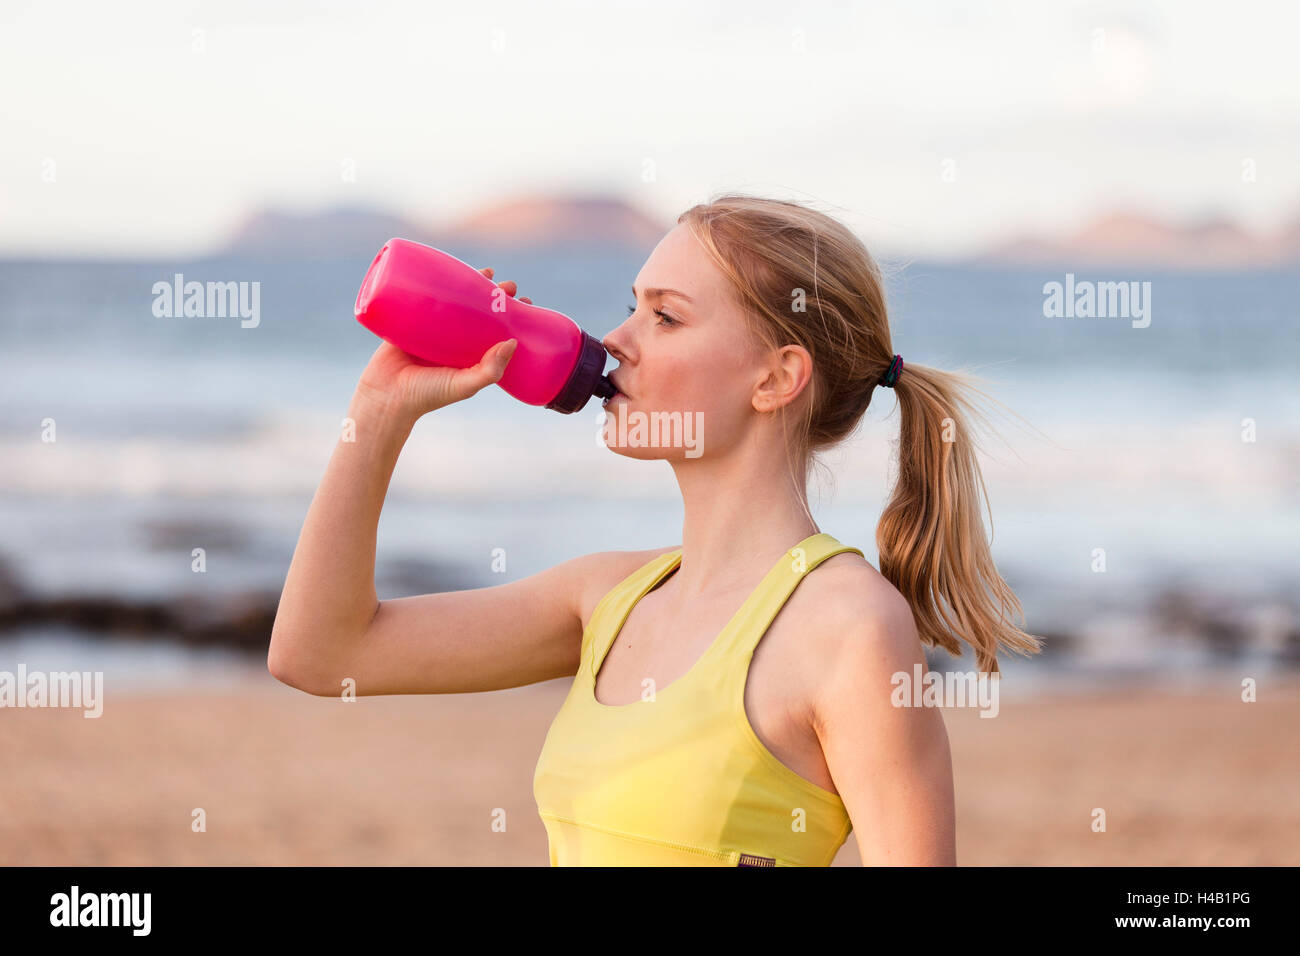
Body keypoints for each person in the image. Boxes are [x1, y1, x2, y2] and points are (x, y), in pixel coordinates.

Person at [268, 193, 1041, 866]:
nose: (618, 340)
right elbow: (322, 653)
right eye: (633, 305)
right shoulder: (605, 598)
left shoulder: (848, 629)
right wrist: (377, 415)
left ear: (776, 377)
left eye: (665, 316)